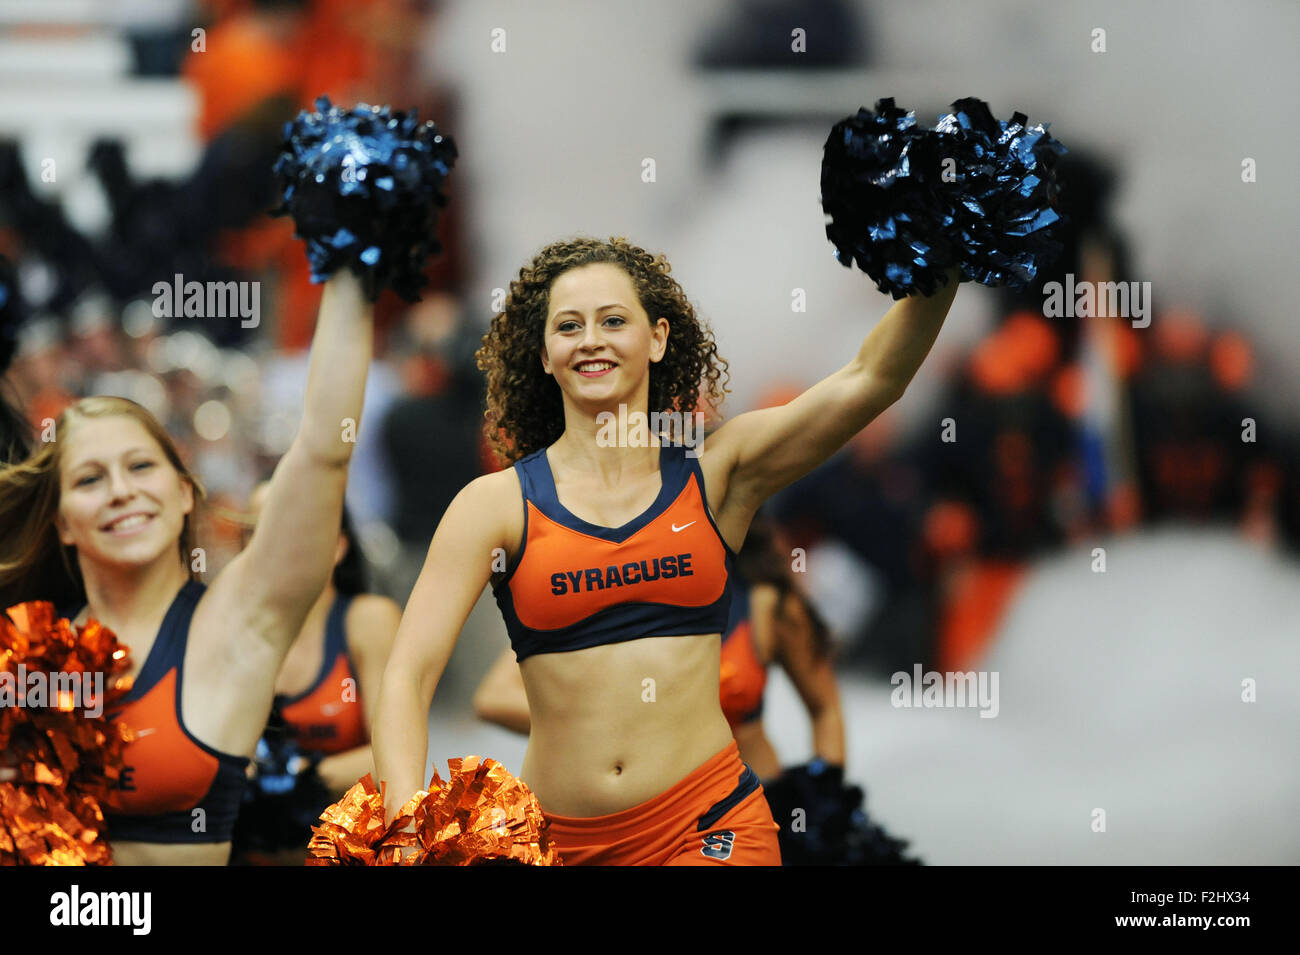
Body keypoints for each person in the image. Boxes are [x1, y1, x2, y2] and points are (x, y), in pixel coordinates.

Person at [373, 236, 958, 865]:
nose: (591, 339)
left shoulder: (717, 474)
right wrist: (408, 828)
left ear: (656, 339)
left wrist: (950, 247)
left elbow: (871, 379)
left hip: (709, 822)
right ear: (544, 354)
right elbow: (407, 677)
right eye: (568, 326)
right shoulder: (493, 505)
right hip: (559, 844)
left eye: (613, 320)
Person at [0, 272, 374, 865]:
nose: (121, 492)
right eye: (90, 479)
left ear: (182, 494)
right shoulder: (26, 650)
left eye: (141, 467)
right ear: (63, 522)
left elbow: (326, 448)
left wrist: (351, 262)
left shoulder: (237, 624)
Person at [229, 495, 400, 864]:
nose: (269, 544)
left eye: (287, 527)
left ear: (338, 546)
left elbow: (394, 757)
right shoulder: (222, 629)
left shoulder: (368, 621)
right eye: (253, 531)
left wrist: (297, 773)